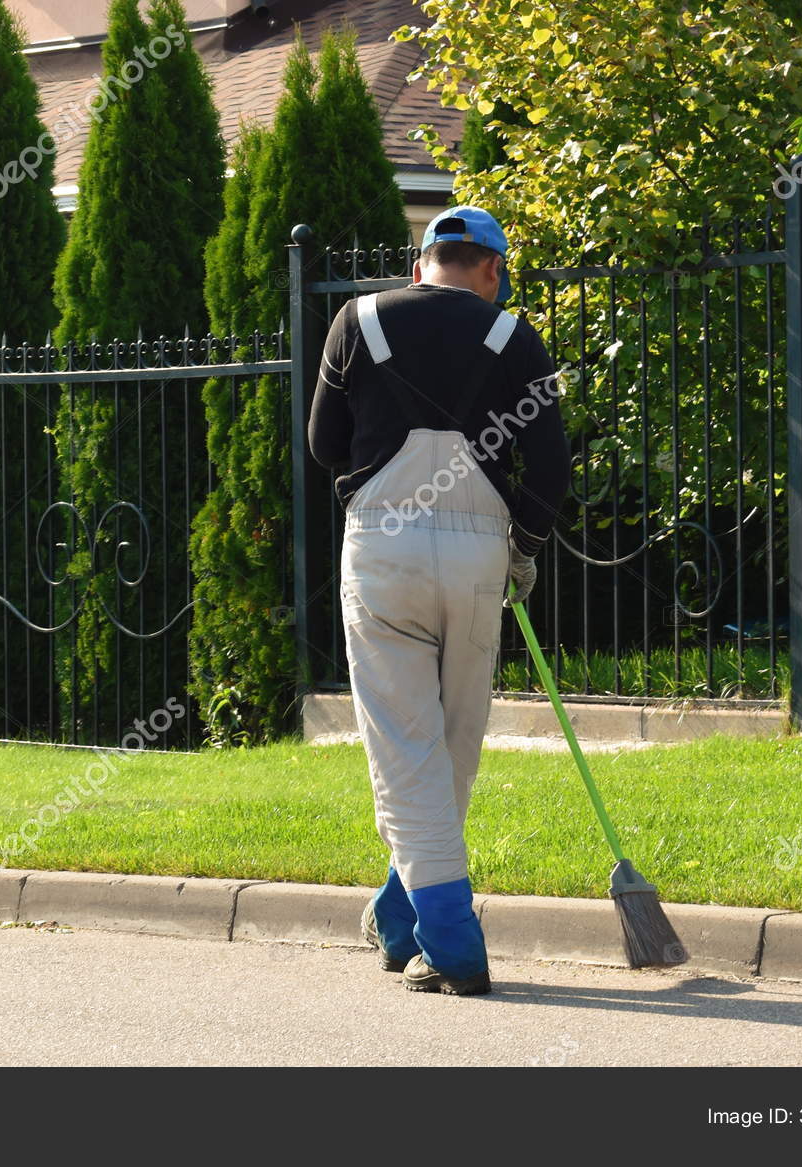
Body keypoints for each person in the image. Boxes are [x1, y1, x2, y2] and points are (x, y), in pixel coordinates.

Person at [308, 206, 571, 995]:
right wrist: (523, 547)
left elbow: (324, 444)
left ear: (420, 265)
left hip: (383, 551)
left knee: (405, 748)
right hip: (477, 555)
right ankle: (405, 920)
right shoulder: (514, 336)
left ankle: (447, 940)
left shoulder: (356, 322)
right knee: (450, 748)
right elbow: (552, 469)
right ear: (492, 270)